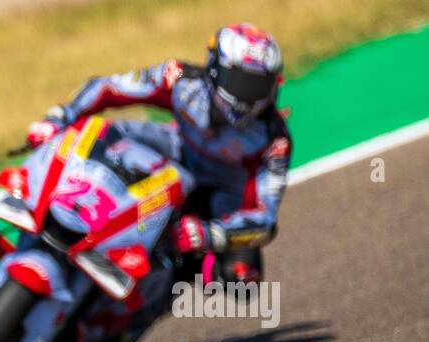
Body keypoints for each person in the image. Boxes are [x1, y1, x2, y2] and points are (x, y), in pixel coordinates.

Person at [27, 23, 290, 287]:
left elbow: (265, 218)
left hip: (218, 194)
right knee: (103, 133)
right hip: (174, 150)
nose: (246, 97)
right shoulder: (179, 79)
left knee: (243, 280)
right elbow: (107, 87)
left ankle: (158, 292)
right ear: (215, 70)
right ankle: (51, 189)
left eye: (258, 86)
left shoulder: (274, 139)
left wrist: (210, 234)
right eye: (241, 82)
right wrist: (59, 117)